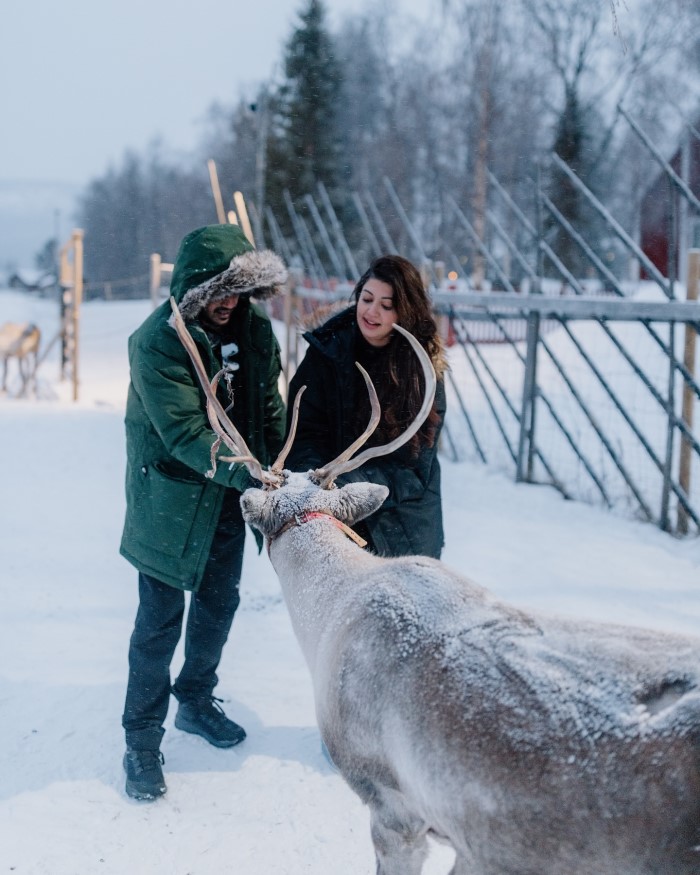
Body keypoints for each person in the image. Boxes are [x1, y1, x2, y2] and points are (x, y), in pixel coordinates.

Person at [119, 224, 287, 801]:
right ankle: (141, 741)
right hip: (168, 498)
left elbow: (267, 408)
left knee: (219, 603)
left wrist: (284, 463)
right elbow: (185, 430)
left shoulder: (255, 329)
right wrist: (249, 472)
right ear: (194, 287)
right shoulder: (157, 342)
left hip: (225, 496)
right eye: (218, 290)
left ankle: (194, 699)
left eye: (238, 291)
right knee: (159, 620)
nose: (228, 302)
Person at [285, 254, 447, 559]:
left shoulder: (421, 372)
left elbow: (413, 468)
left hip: (401, 534)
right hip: (330, 521)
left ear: (405, 313)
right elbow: (303, 431)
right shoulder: (326, 352)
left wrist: (349, 485)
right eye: (366, 298)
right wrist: (315, 479)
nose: (372, 312)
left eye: (387, 306)